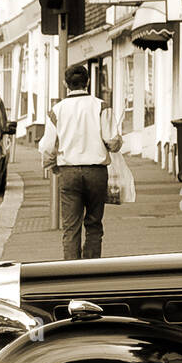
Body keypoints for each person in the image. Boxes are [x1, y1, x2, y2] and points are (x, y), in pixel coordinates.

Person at [39, 64, 122, 260]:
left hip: (69, 173)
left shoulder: (56, 111)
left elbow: (47, 147)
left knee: (71, 227)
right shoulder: (102, 106)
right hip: (96, 173)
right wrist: (116, 143)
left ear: (65, 84)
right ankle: (90, 271)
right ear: (88, 82)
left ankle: (71, 272)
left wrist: (53, 165)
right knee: (94, 224)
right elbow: (112, 141)